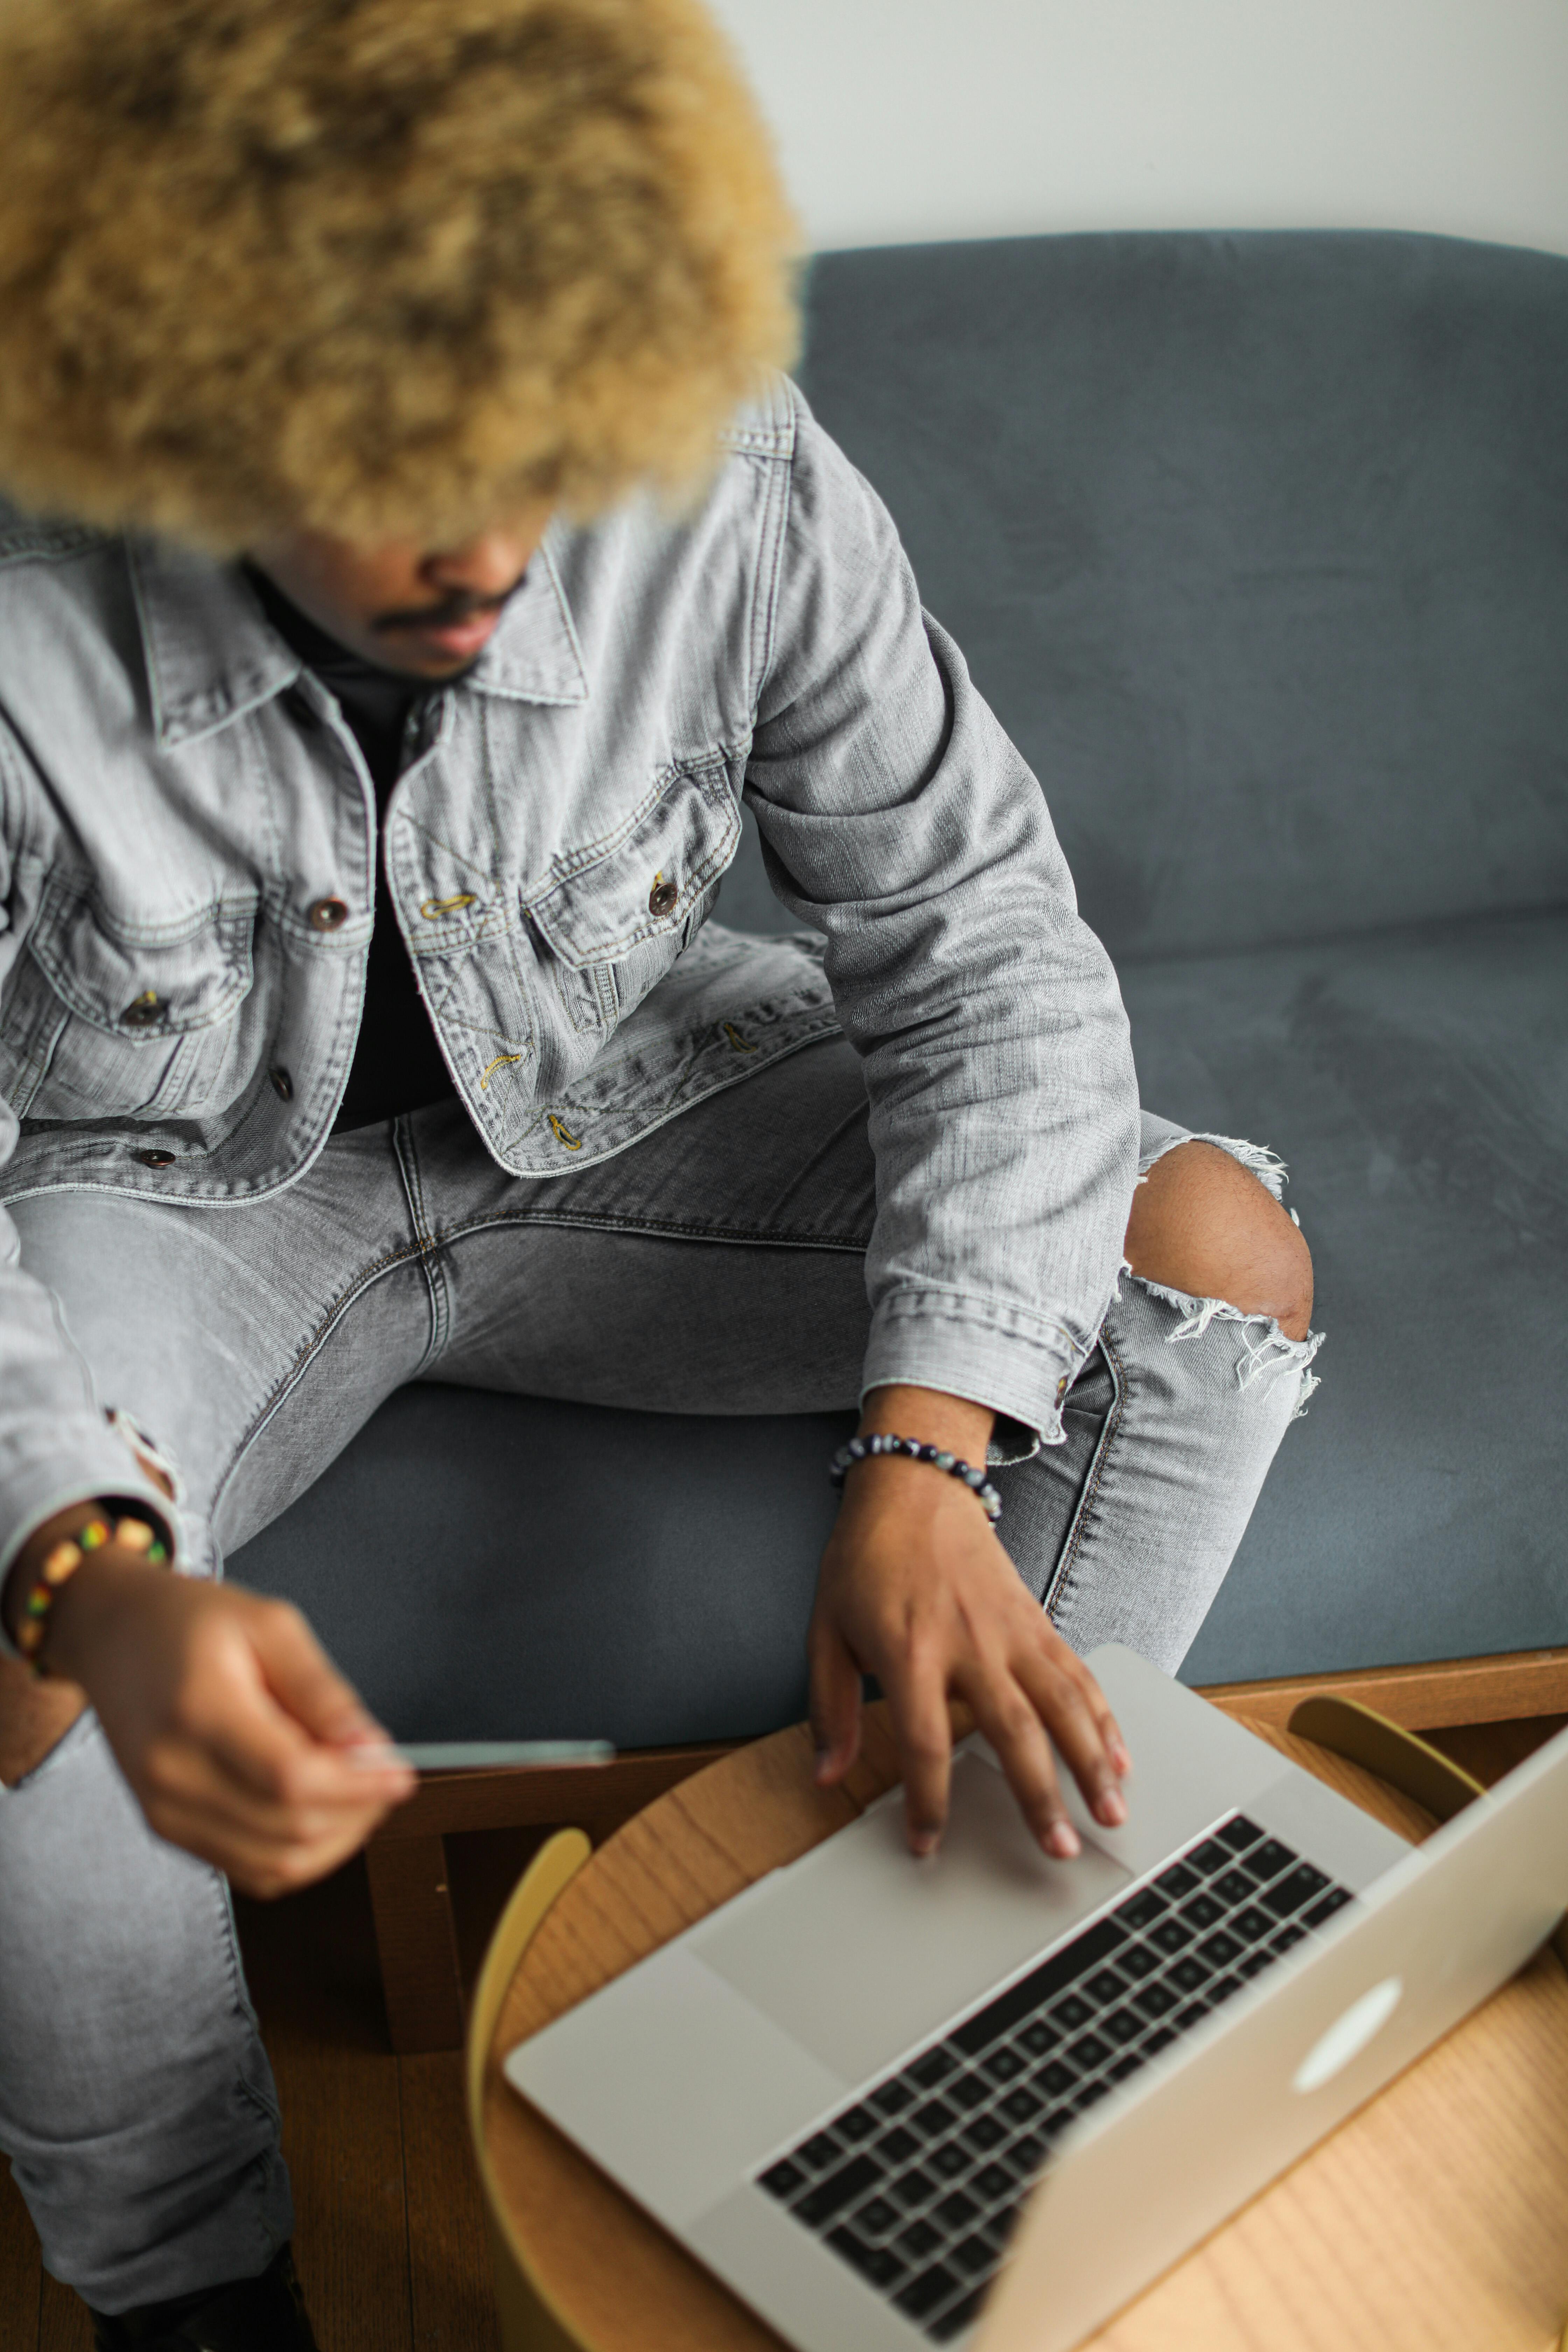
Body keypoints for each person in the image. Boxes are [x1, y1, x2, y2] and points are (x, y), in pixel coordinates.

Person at [0, 0, 1320, 2342]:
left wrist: (926, 1455)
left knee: (1205, 1245)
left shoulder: (731, 469)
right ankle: (190, 2287)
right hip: (166, 1195)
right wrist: (92, 1575)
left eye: (555, 444)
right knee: (7, 1652)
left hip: (627, 1102)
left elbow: (985, 939)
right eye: (389, 459)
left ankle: (952, 2051)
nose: (493, 538)